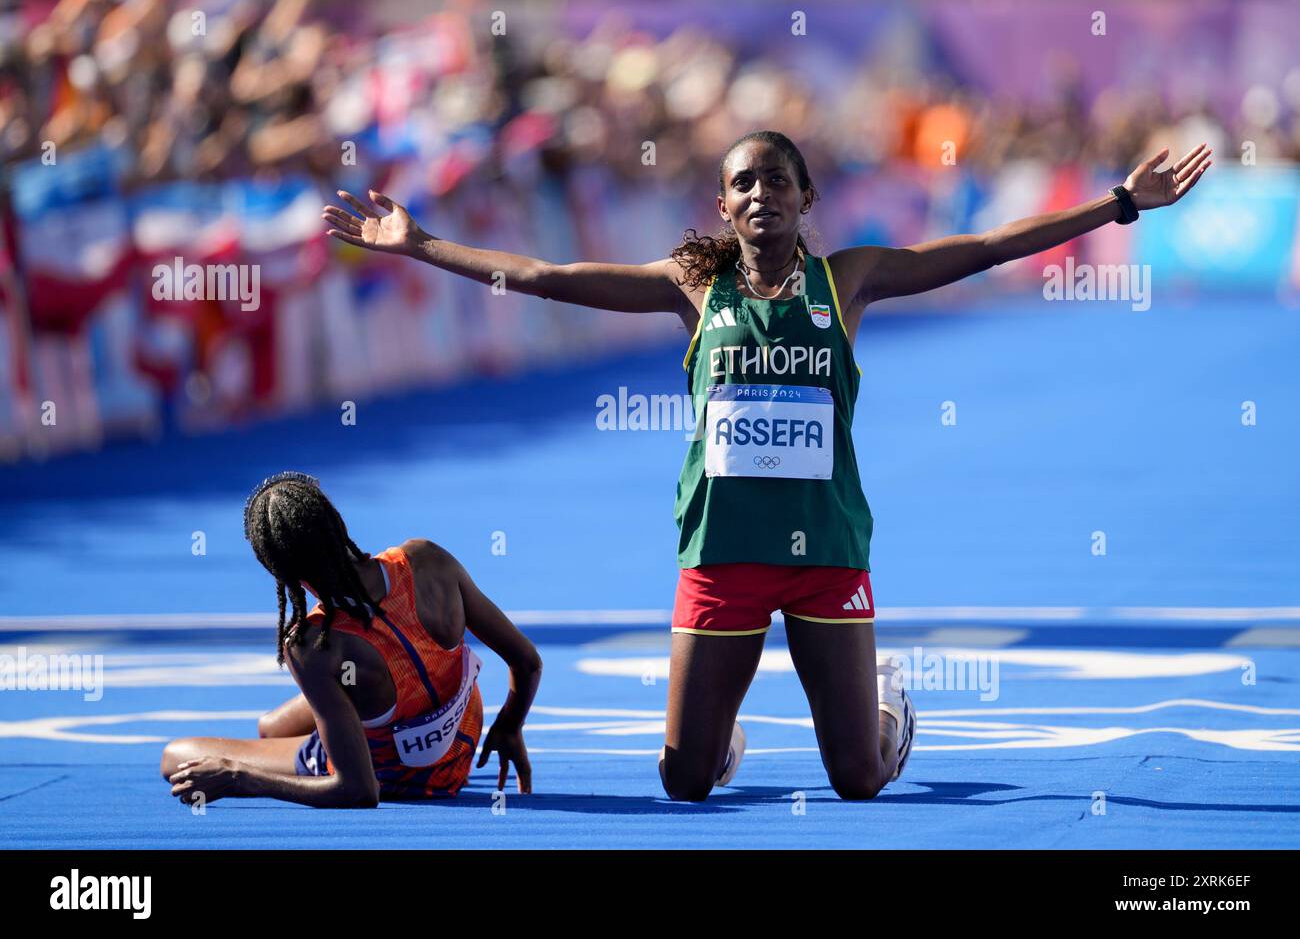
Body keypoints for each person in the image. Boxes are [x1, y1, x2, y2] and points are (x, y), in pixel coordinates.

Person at [321, 130, 1211, 801]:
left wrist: (1119, 205)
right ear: (724, 206)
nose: (760, 195)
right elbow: (547, 275)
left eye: (776, 180)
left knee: (857, 782)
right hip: (722, 560)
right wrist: (420, 243)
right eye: (743, 183)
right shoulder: (691, 288)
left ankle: (885, 698)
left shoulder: (849, 280)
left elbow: (985, 249)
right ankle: (721, 732)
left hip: (826, 557)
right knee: (686, 784)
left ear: (805, 198)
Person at [162, 471, 542, 806]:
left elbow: (358, 790)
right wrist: (509, 727)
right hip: (461, 746)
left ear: (280, 571)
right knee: (270, 728)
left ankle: (343, 715)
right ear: (336, 523)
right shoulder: (427, 559)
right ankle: (351, 705)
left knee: (174, 755)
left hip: (404, 779)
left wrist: (240, 777)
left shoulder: (313, 646)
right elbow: (527, 662)